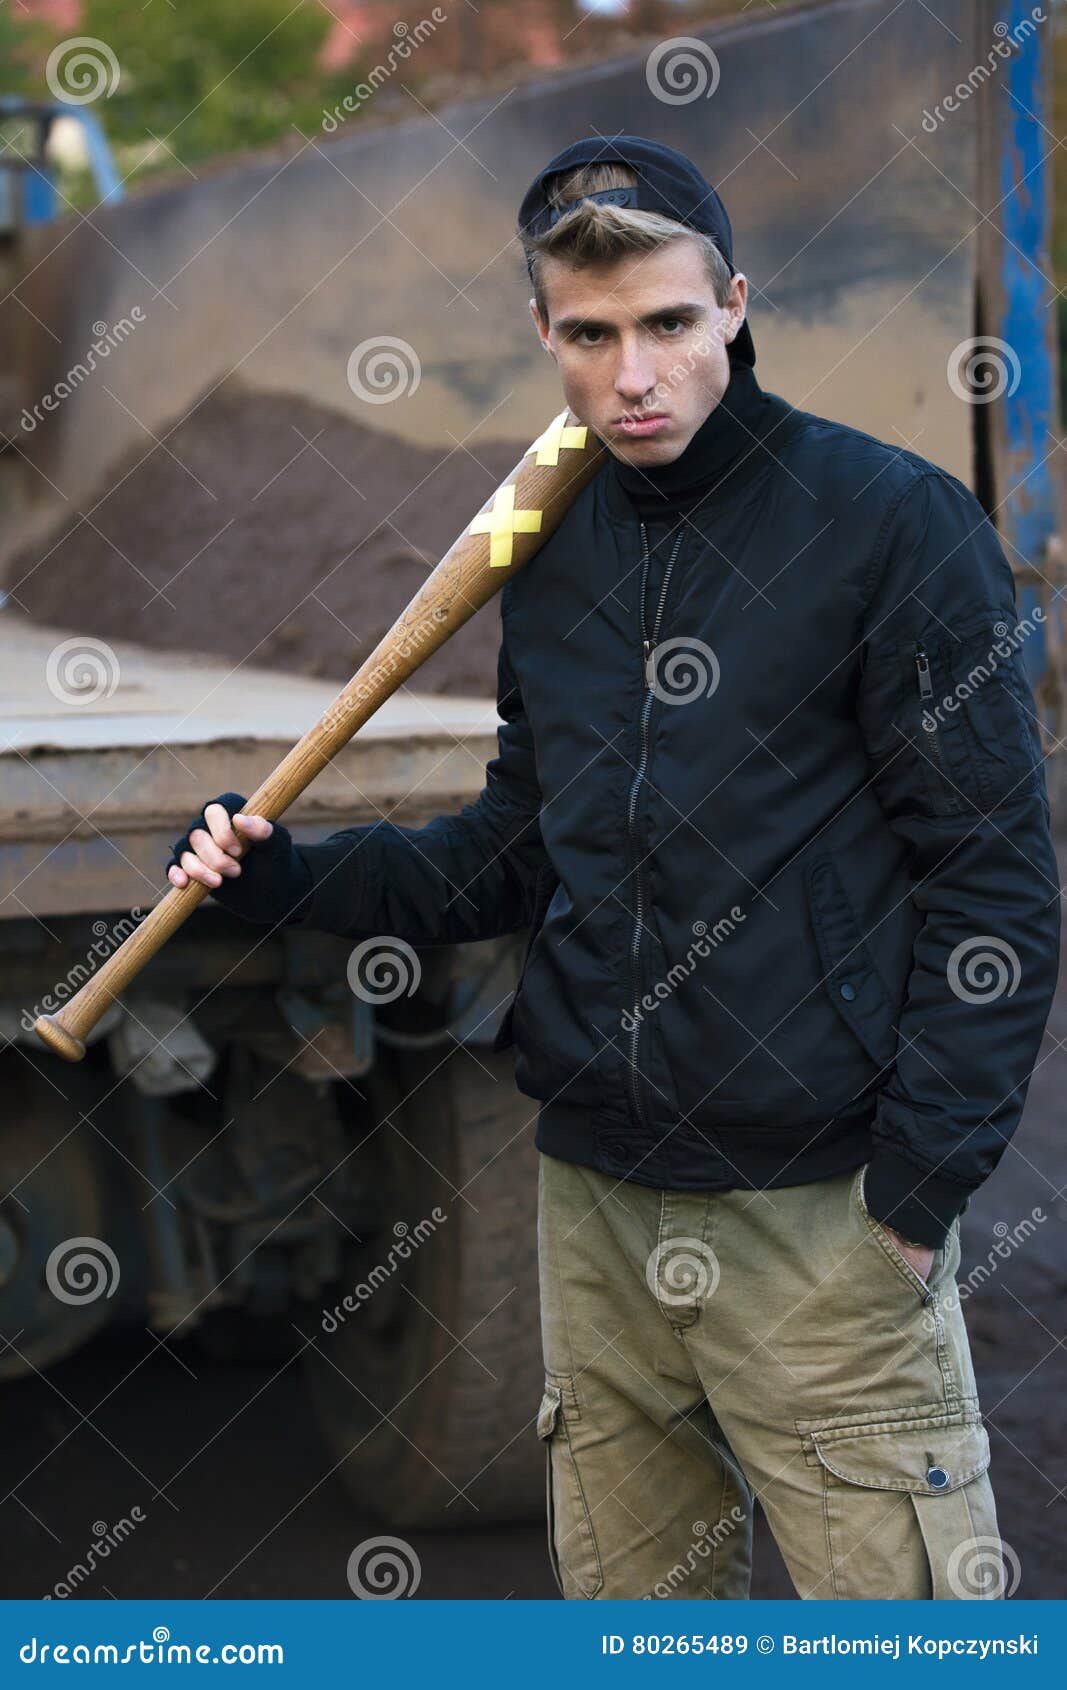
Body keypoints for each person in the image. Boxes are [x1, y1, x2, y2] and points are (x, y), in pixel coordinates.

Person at [167, 135, 1061, 1600]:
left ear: (736, 308)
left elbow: (997, 888)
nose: (633, 374)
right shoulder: (559, 544)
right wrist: (287, 880)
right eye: (591, 336)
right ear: (544, 334)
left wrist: (917, 1191)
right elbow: (512, 851)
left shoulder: (892, 527)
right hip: (595, 1210)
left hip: (822, 1216)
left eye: (668, 324)